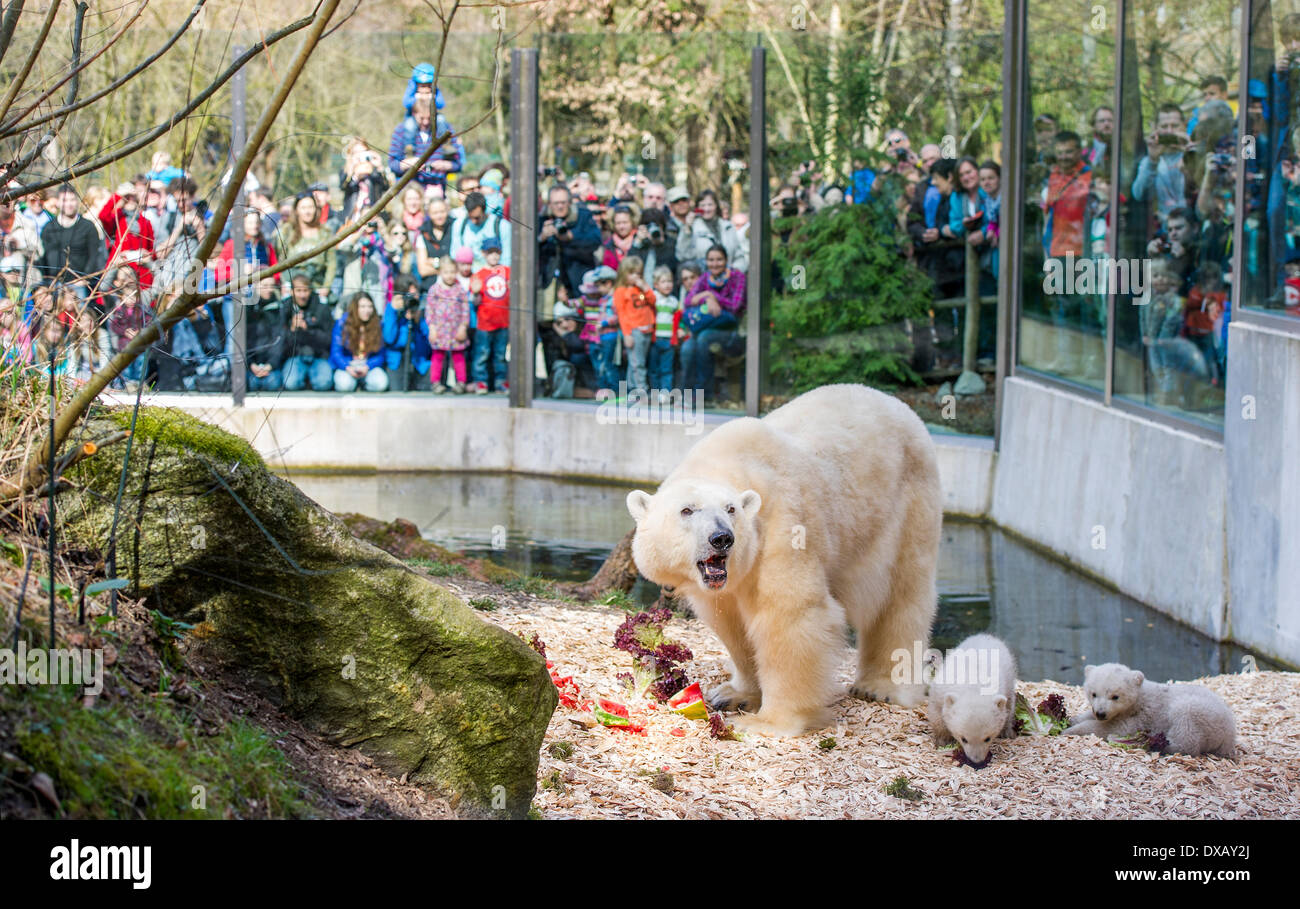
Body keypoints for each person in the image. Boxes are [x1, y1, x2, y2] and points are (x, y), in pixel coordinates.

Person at [679, 244, 746, 402]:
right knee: (687, 348)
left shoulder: (737, 276)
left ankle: (704, 394)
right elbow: (689, 301)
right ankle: (686, 395)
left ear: (726, 260)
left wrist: (713, 297)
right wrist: (707, 297)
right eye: (711, 260)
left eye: (719, 259)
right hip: (705, 326)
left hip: (730, 330)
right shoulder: (704, 278)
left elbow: (735, 306)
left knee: (704, 339)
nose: (714, 263)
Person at [537, 183, 602, 307]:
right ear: (549, 204)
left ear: (570, 202)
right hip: (548, 283)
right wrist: (542, 237)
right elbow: (527, 250)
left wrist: (571, 237)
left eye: (563, 202)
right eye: (556, 203)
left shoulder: (583, 216)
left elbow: (596, 241)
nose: (560, 206)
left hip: (579, 283)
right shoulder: (542, 219)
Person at [387, 97, 464, 192]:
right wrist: (409, 164)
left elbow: (458, 164)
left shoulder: (446, 130)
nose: (426, 122)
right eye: (421, 118)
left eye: (429, 118)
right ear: (414, 114)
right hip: (410, 190)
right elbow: (392, 164)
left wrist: (445, 165)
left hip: (437, 187)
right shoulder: (401, 131)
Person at [37, 185, 103, 294]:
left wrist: (84, 278)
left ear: (77, 201)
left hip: (79, 285)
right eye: (65, 200)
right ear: (58, 202)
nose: (69, 204)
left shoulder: (88, 227)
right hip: (54, 284)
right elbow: (43, 256)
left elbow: (94, 256)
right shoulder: (49, 228)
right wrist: (48, 280)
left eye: (72, 200)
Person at [1132, 103, 1189, 228]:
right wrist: (1152, 160)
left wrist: (1189, 153)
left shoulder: (1193, 153)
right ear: (1156, 128)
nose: (1169, 131)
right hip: (1164, 229)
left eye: (1175, 126)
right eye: (1164, 126)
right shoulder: (1149, 161)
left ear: (1184, 126)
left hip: (1192, 228)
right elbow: (1138, 194)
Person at [97, 184, 155, 292]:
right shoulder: (117, 218)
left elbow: (151, 248)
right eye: (127, 198)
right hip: (119, 270)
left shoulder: (145, 222)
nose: (131, 200)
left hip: (141, 271)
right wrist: (118, 196)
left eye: (133, 197)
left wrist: (146, 254)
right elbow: (103, 216)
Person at [281, 274, 335, 391]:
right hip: (295, 357)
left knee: (324, 384)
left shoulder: (322, 308)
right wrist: (292, 330)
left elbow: (329, 340)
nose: (302, 295)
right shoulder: (285, 307)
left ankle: (311, 380)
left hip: (318, 356)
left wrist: (308, 331)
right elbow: (281, 343)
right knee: (291, 383)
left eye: (305, 291)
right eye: (298, 291)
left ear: (310, 291)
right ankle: (305, 381)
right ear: (291, 291)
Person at [425, 255, 470, 393]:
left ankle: (461, 382)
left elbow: (465, 310)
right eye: (446, 272)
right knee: (438, 356)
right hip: (440, 330)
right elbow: (429, 310)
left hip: (455, 330)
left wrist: (463, 327)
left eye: (452, 272)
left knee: (458, 357)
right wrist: (432, 328)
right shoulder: (434, 290)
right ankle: (436, 383)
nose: (449, 276)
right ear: (440, 272)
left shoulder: (460, 290)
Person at [470, 236, 510, 394]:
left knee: (500, 354)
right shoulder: (478, 274)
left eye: (497, 252)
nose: (494, 256)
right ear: (483, 254)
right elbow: (475, 302)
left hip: (503, 321)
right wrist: (475, 292)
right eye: (490, 252)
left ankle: (501, 381)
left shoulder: (507, 272)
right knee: (482, 353)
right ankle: (481, 381)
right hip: (485, 322)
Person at [281, 193, 336, 305]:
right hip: (292, 286)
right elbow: (281, 260)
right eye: (303, 208)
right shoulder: (286, 232)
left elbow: (331, 263)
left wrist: (326, 287)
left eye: (310, 207)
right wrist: (284, 283)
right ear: (296, 210)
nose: (307, 211)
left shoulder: (325, 232)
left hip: (316, 285)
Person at [612, 255, 655, 396]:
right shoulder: (620, 291)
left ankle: (631, 389)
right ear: (624, 273)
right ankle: (642, 390)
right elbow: (622, 315)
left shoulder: (641, 289)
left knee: (635, 362)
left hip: (647, 329)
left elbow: (653, 300)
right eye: (632, 273)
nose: (636, 276)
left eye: (639, 273)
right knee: (638, 364)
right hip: (634, 331)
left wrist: (645, 288)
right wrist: (627, 334)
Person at [382, 273, 432, 389]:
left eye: (415, 295)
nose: (412, 299)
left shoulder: (422, 311)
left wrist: (419, 321)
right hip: (397, 361)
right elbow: (389, 338)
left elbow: (429, 343)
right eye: (408, 296)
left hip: (418, 362)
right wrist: (393, 311)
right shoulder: (393, 310)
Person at [331, 292, 388, 392]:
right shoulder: (342, 324)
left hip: (368, 365)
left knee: (381, 384)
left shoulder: (377, 324)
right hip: (348, 364)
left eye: (370, 307)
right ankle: (354, 385)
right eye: (362, 306)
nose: (367, 310)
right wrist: (347, 367)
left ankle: (363, 385)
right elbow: (336, 352)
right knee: (345, 386)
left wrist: (368, 366)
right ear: (355, 308)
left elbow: (381, 354)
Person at [682, 189, 747, 273]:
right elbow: (683, 255)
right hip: (703, 280)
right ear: (697, 209)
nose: (707, 209)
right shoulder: (693, 228)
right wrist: (687, 229)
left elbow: (739, 256)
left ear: (716, 206)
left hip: (729, 280)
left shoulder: (728, 227)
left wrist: (734, 272)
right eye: (702, 205)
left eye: (710, 204)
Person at [450, 191, 510, 270]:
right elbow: (455, 255)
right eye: (470, 217)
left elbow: (507, 259)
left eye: (477, 217)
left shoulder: (502, 226)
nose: (473, 221)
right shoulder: (459, 225)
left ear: (484, 210)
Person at [245, 275, 285, 391]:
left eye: (272, 286)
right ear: (255, 286)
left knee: (273, 383)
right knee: (251, 384)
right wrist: (251, 364)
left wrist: (270, 365)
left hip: (271, 366)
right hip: (251, 366)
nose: (269, 289)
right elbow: (242, 341)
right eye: (265, 286)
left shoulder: (278, 308)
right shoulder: (247, 309)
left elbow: (279, 340)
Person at [340, 138, 391, 226]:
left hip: (373, 215)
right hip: (353, 216)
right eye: (356, 152)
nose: (360, 155)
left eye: (363, 151)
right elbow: (343, 187)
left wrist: (380, 168)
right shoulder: (346, 171)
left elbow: (386, 187)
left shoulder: (375, 172)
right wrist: (354, 176)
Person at [648, 264, 681, 399]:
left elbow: (679, 319)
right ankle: (655, 393)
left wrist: (679, 331)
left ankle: (665, 394)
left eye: (670, 281)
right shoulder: (653, 298)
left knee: (666, 369)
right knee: (653, 369)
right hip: (655, 340)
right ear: (656, 284)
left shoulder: (674, 301)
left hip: (668, 340)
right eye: (663, 282)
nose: (667, 285)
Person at [415, 197, 454, 290]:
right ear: (429, 214)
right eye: (435, 213)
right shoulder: (423, 233)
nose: (439, 216)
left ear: (447, 210)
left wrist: (433, 262)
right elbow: (423, 270)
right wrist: (448, 269)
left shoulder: (455, 227)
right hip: (430, 288)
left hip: (453, 288)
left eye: (442, 211)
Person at [601, 204, 639, 270]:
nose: (622, 227)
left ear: (632, 222)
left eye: (625, 222)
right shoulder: (607, 245)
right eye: (618, 223)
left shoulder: (639, 241)